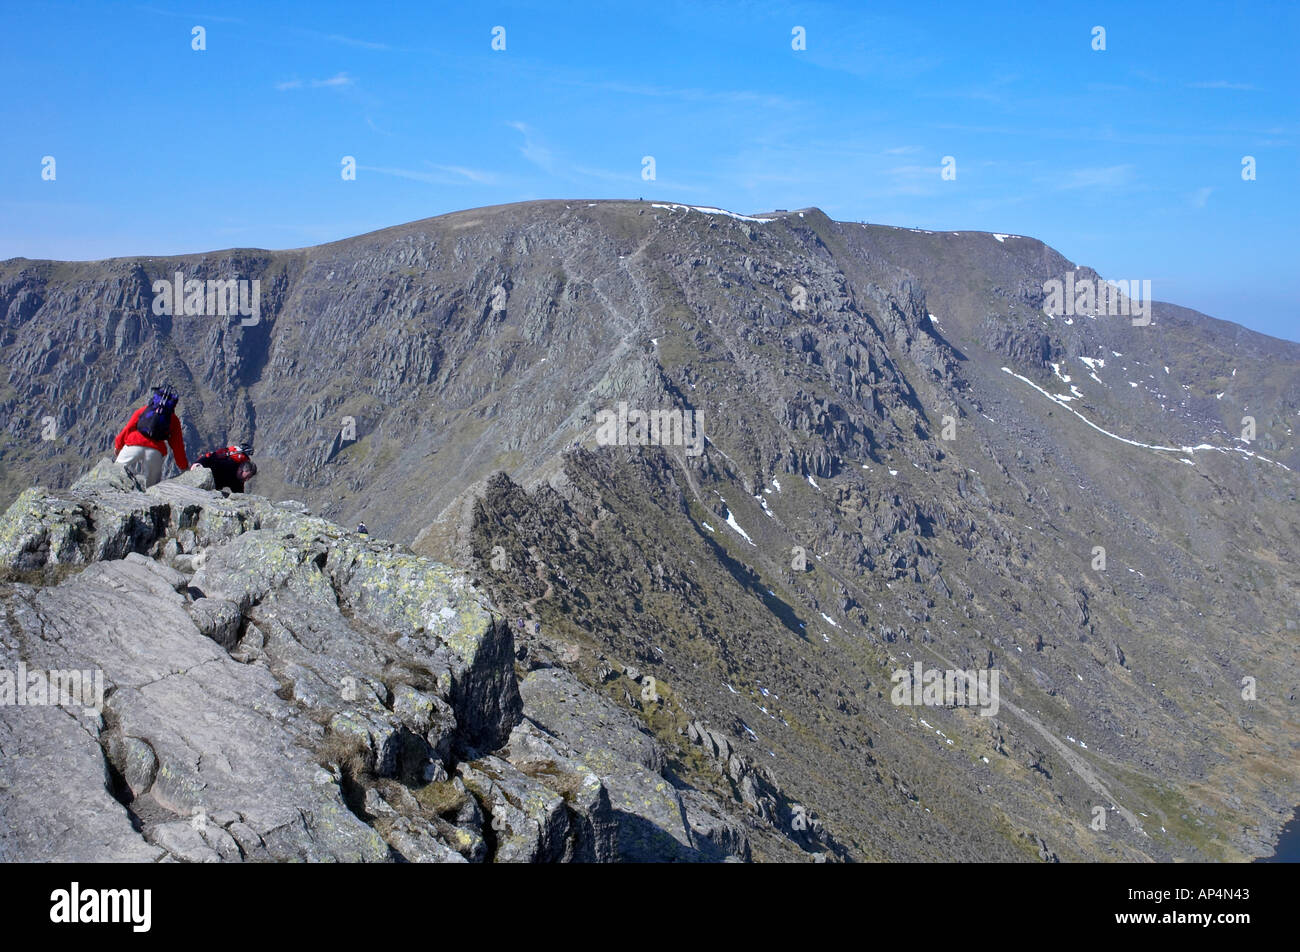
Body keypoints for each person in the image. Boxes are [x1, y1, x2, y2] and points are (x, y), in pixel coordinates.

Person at [113, 385, 189, 487]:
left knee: (115, 472)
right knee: (152, 487)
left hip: (133, 445)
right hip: (155, 451)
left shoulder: (143, 410)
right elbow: (177, 446)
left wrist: (118, 446)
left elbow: (128, 429)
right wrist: (184, 467)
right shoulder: (173, 420)